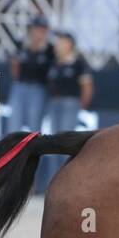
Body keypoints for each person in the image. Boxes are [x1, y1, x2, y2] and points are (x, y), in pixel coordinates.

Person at [41, 32, 92, 185]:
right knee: (54, 141)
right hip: (54, 103)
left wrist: (80, 106)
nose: (57, 46)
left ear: (69, 45)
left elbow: (87, 87)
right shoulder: (54, 63)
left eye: (61, 43)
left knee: (64, 142)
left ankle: (65, 182)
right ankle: (52, 182)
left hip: (70, 103)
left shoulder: (78, 63)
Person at [7, 15, 52, 134]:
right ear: (32, 29)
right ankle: (12, 151)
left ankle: (33, 151)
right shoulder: (22, 45)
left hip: (38, 87)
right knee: (14, 122)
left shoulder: (49, 49)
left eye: (43, 29)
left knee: (35, 123)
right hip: (20, 85)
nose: (40, 32)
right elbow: (14, 64)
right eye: (37, 28)